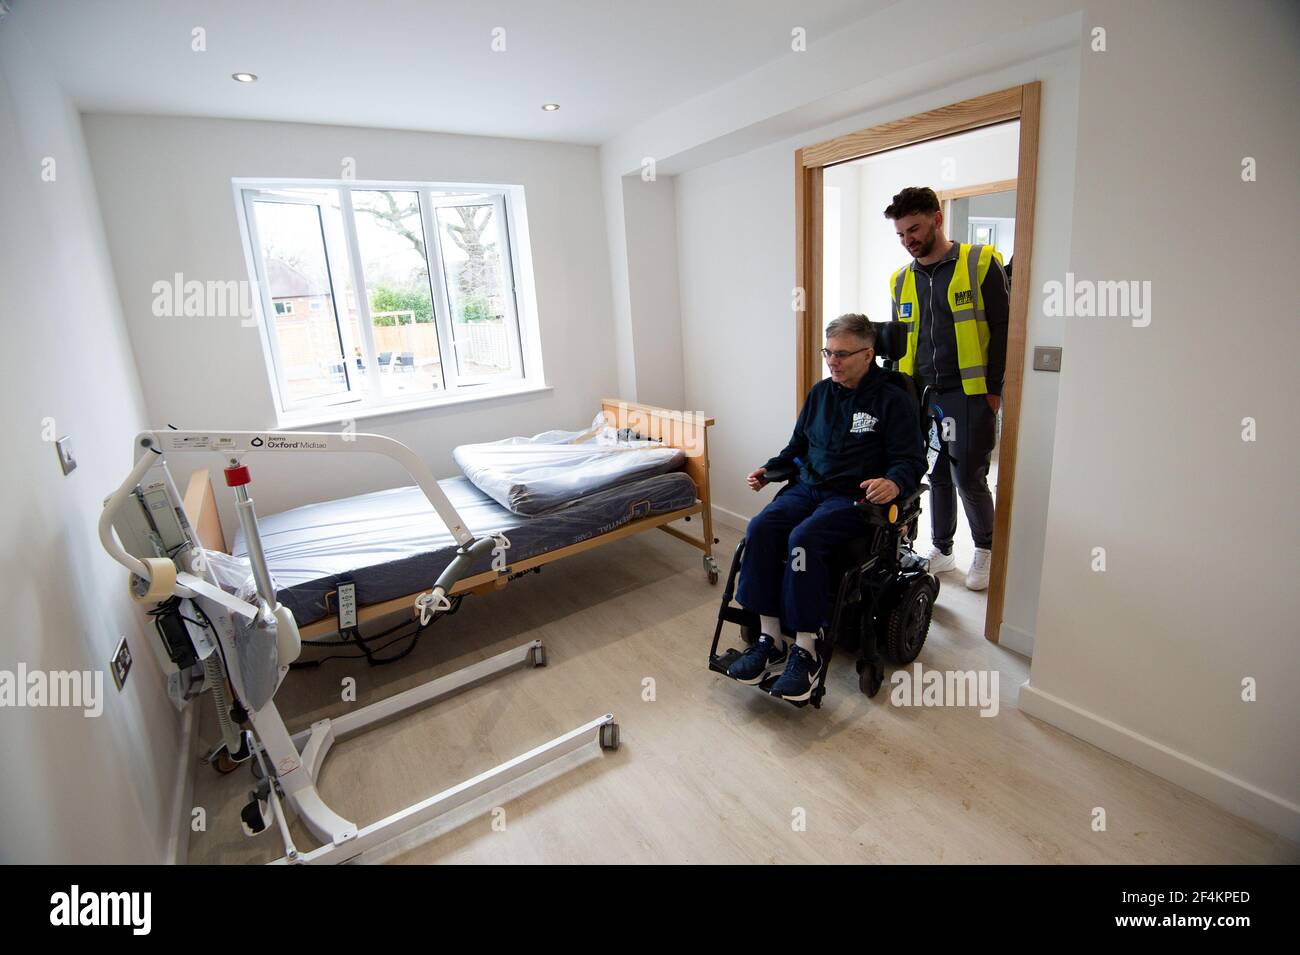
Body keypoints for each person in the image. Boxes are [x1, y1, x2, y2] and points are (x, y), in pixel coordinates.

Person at [731, 314, 926, 703]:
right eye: (828, 353)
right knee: (760, 529)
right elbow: (797, 446)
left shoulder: (894, 399)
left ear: (868, 354)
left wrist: (894, 482)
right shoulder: (820, 393)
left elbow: (911, 460)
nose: (832, 362)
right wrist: (770, 470)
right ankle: (770, 638)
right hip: (808, 487)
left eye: (841, 354)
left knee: (803, 540)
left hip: (853, 497)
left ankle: (807, 648)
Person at [883, 186, 1009, 591]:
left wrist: (994, 388)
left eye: (914, 230)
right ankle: (943, 549)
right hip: (920, 393)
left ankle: (986, 551)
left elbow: (1005, 329)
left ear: (938, 219)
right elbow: (899, 339)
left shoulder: (980, 262)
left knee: (968, 475)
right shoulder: (901, 279)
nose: (908, 241)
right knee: (933, 471)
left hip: (968, 391)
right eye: (901, 234)